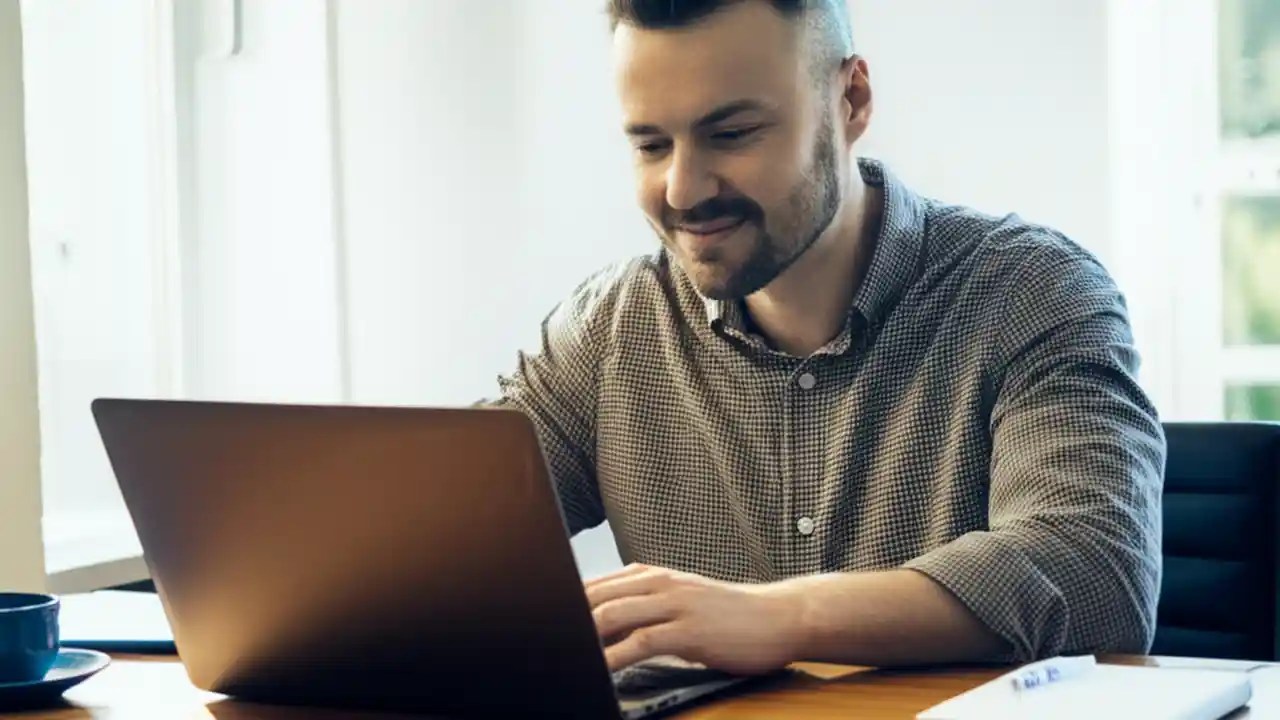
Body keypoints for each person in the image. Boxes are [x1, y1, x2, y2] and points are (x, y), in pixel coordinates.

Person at [493, 0, 1165, 675]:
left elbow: (1096, 574)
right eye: (651, 146)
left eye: (732, 134)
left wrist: (779, 619)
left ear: (852, 100)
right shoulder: (611, 329)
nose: (683, 190)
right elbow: (448, 531)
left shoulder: (1032, 292)